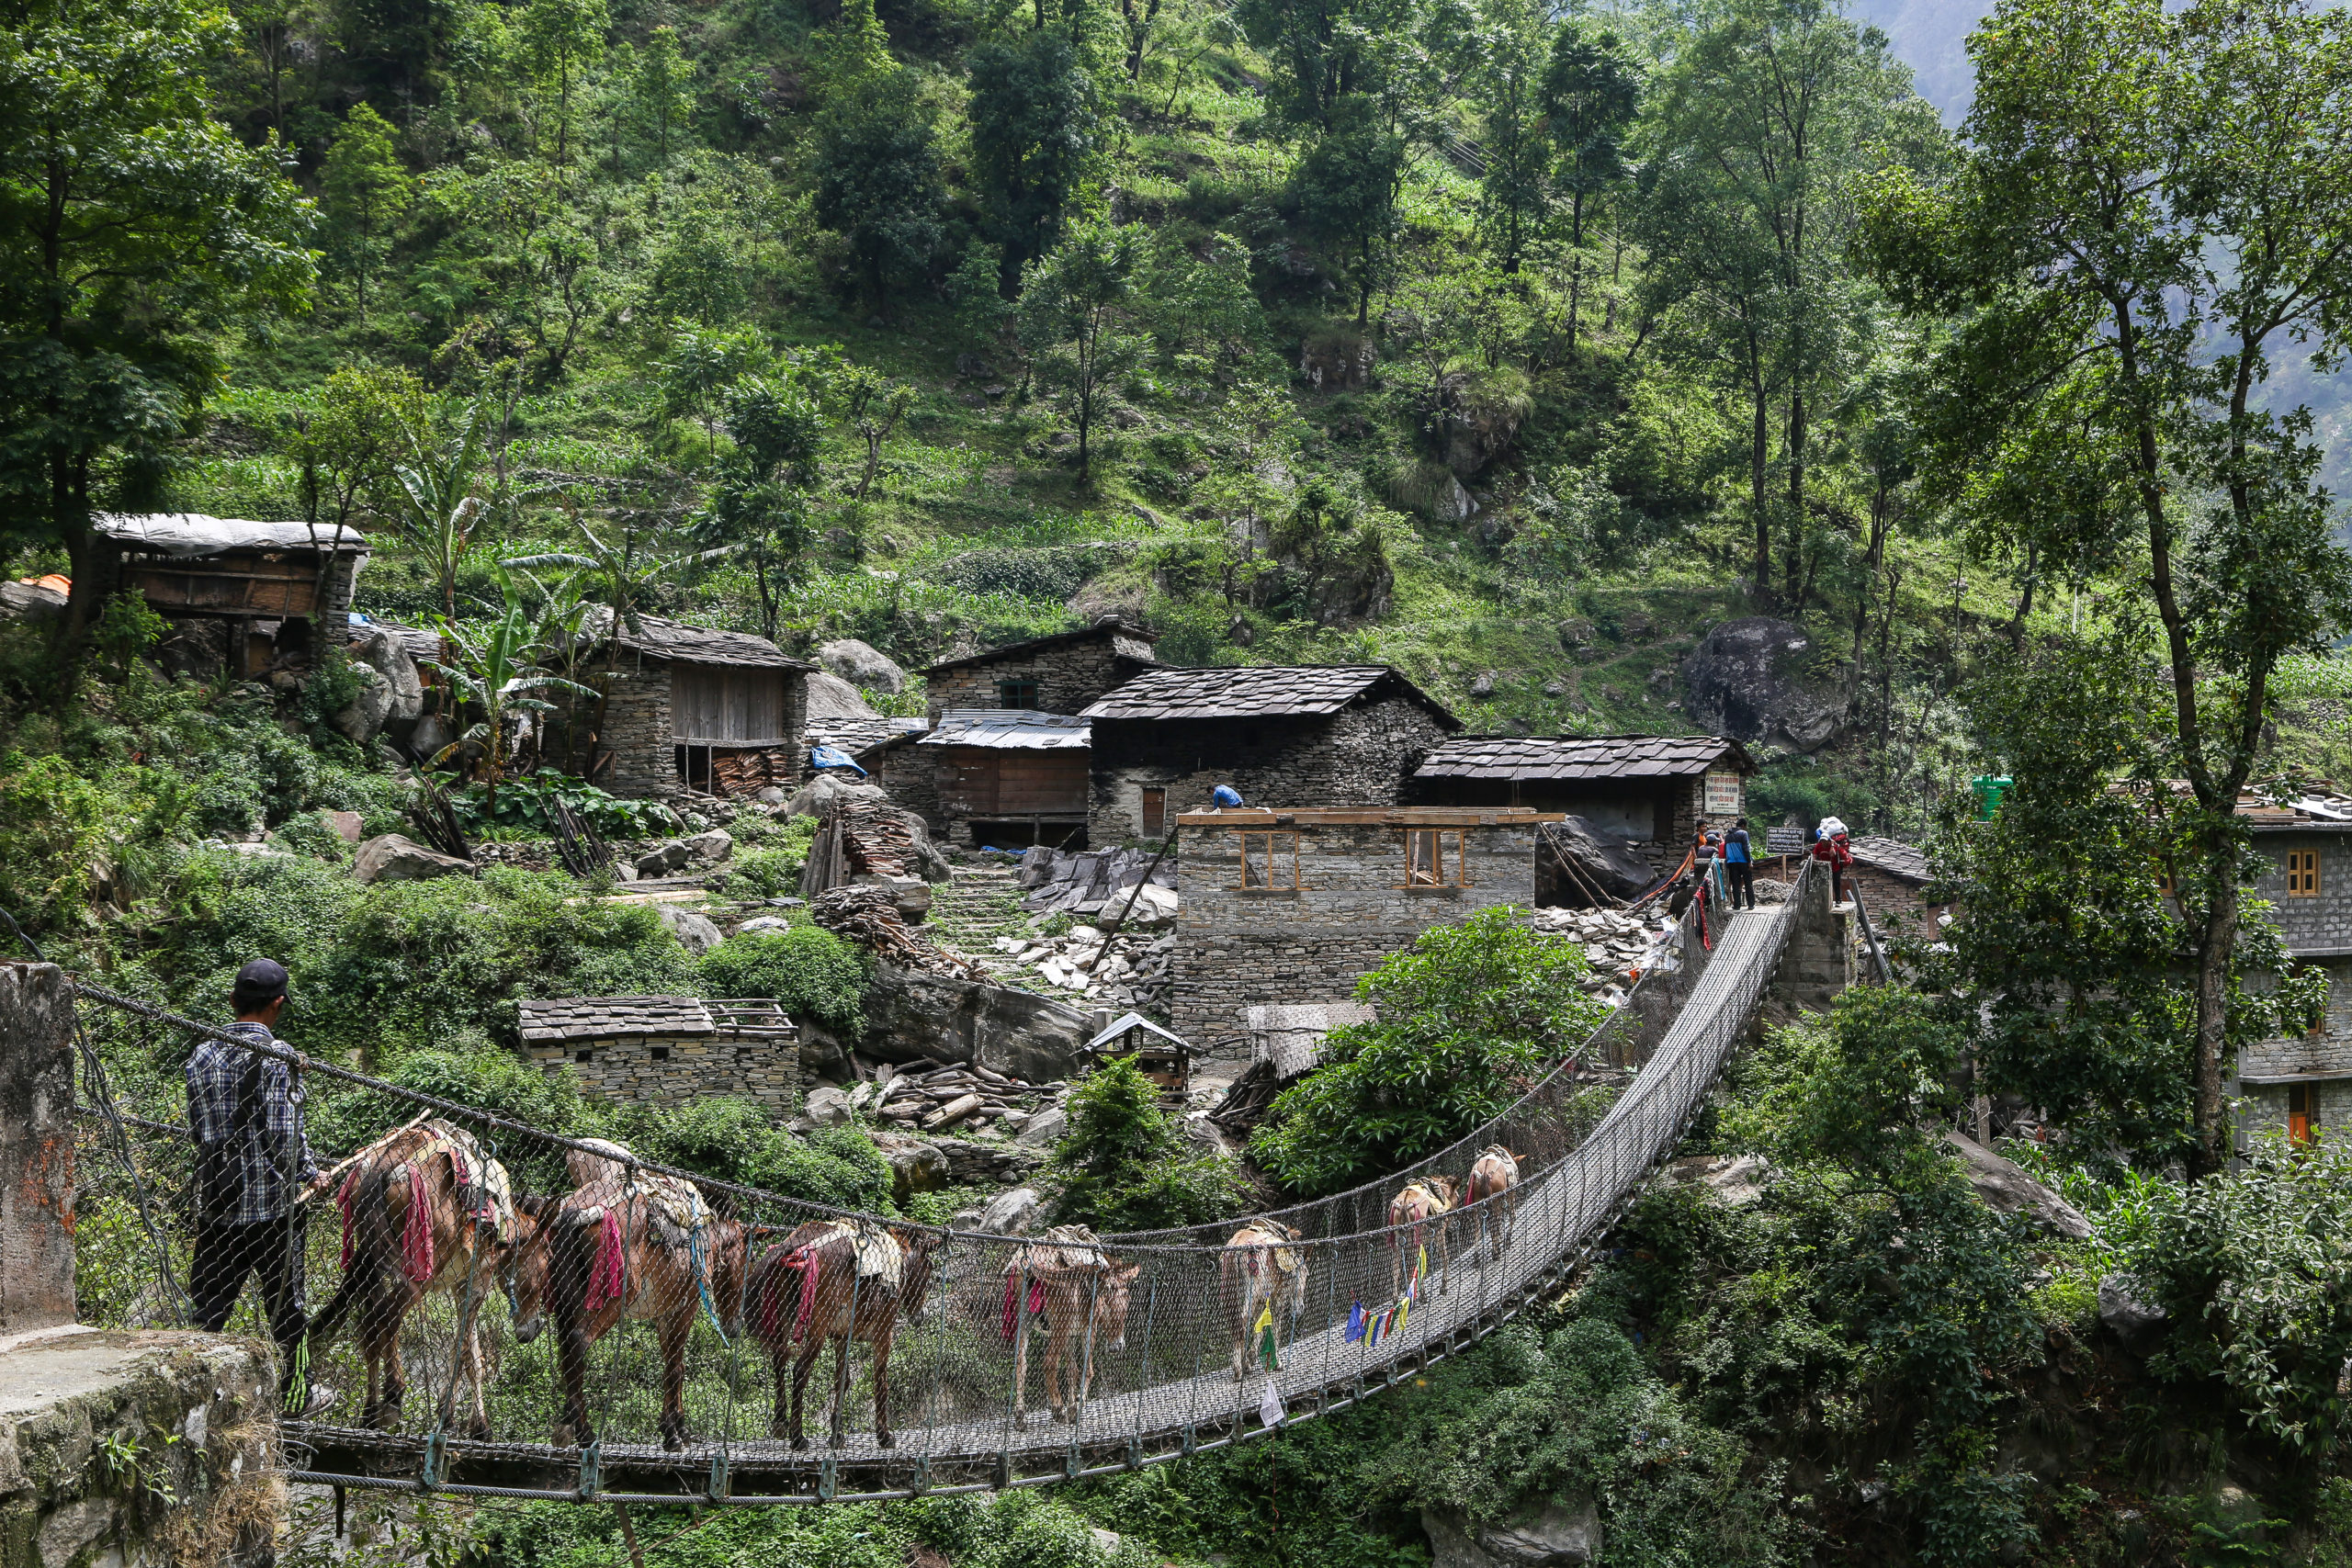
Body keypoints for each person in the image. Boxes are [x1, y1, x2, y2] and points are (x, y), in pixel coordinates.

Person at [186, 959, 337, 1416]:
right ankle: (298, 1396)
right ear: (278, 1004)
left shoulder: (201, 1056)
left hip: (217, 1202)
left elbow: (199, 1131)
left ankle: (191, 1396)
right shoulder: (278, 1056)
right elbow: (283, 1133)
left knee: (208, 1309)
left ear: (233, 1002)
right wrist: (313, 1174)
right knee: (287, 1309)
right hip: (273, 1210)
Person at [1723, 818, 1755, 909]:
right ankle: (1751, 905)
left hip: (1732, 863)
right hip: (1743, 862)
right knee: (1748, 883)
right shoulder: (1743, 833)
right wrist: (1749, 862)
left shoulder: (1728, 835)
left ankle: (1737, 905)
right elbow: (1746, 849)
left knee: (1735, 884)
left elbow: (1726, 850)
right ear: (1743, 825)